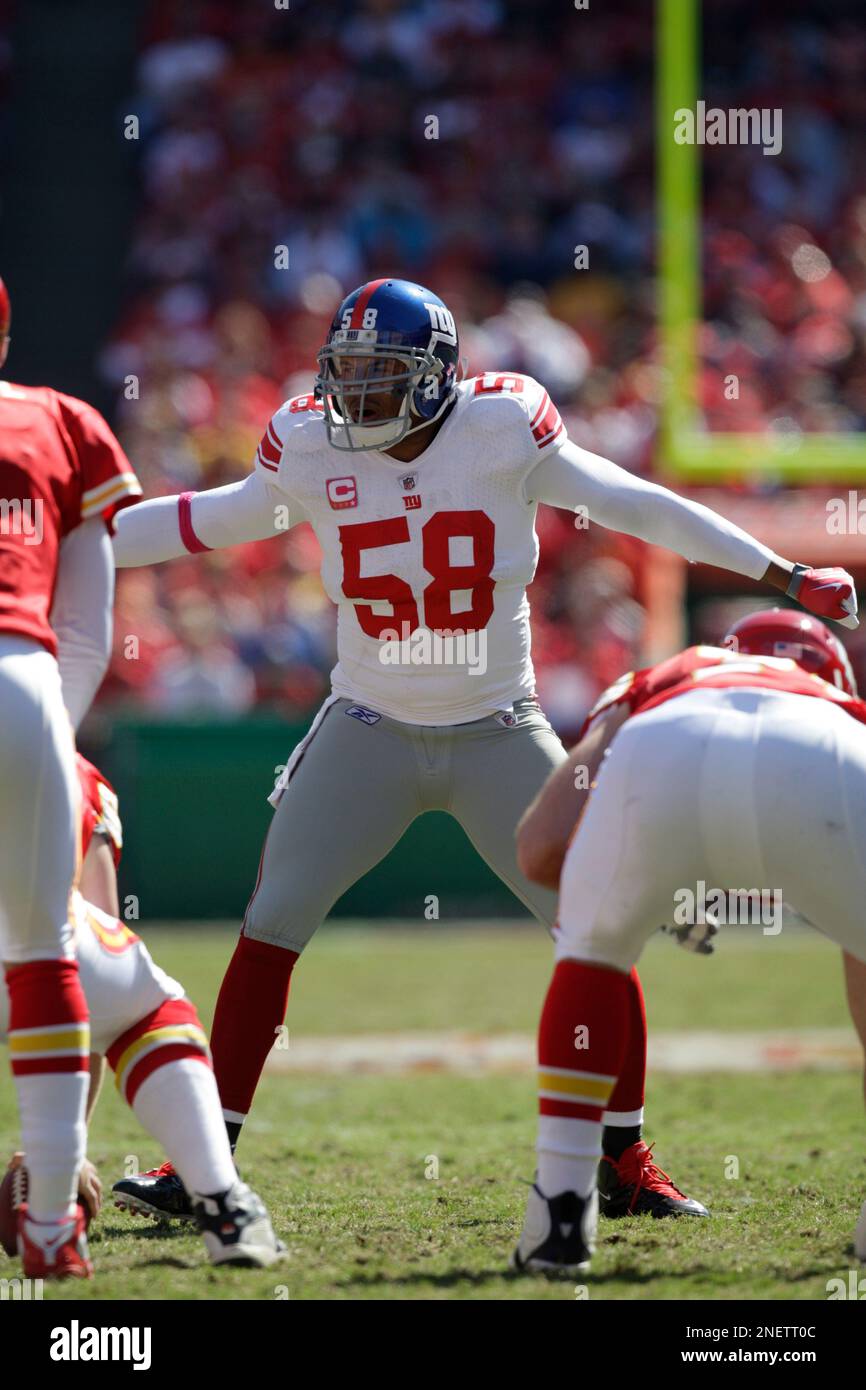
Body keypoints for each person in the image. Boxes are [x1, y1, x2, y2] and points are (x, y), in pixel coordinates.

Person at [110, 277, 857, 1219]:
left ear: (433, 379)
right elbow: (203, 520)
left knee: (599, 929)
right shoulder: (306, 444)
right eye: (346, 373)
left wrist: (780, 571)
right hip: (366, 726)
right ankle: (202, 1166)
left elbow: (632, 501)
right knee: (270, 926)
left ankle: (622, 1160)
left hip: (499, 726)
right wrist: (66, 540)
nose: (355, 396)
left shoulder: (502, 428)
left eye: (380, 376)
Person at [512, 609, 866, 1273]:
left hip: (663, 748)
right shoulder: (841, 705)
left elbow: (538, 849)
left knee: (591, 949)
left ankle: (561, 1205)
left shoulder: (661, 675)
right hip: (828, 756)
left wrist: (630, 902)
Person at [0, 753, 285, 1268]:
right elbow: (90, 1000)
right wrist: (59, 1157)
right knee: (144, 1010)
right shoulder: (53, 747)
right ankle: (222, 1207)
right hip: (27, 949)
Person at [0, 274, 141, 1277]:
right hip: (25, 694)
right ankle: (54, 1209)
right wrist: (54, 741)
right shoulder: (58, 422)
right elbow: (84, 630)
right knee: (65, 951)